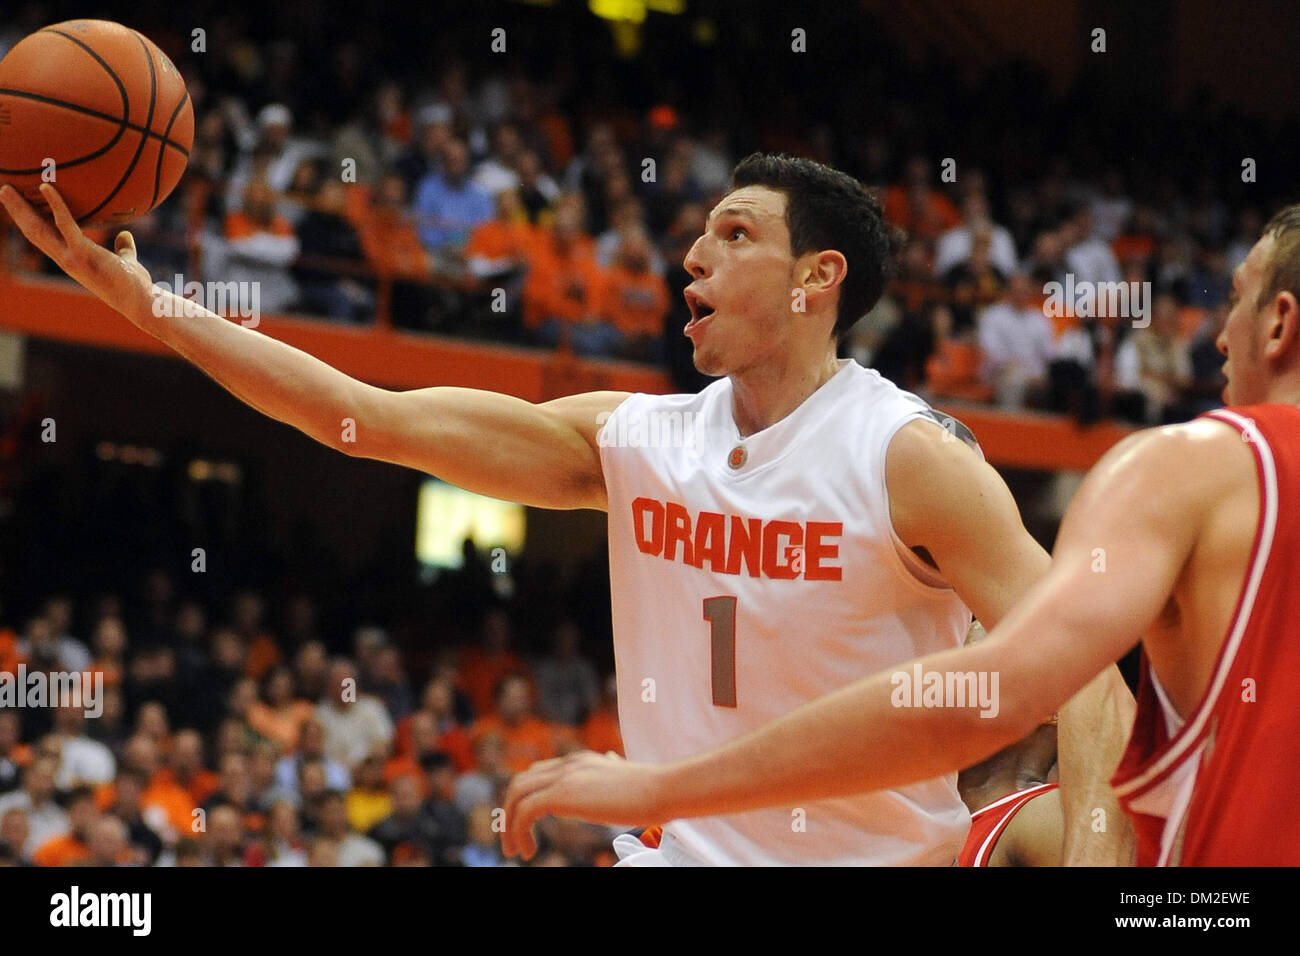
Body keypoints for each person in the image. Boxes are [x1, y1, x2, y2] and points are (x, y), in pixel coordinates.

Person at [3, 154, 1070, 865]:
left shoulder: (907, 456)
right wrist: (148, 304)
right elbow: (361, 415)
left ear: (817, 278)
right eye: (699, 233)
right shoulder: (634, 439)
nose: (692, 255)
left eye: (736, 235)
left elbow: (1076, 655)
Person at [499, 205, 1300, 868]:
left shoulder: (1187, 469)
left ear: (1280, 324)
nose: (1218, 336)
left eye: (1233, 300)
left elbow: (1005, 688)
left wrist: (662, 788)